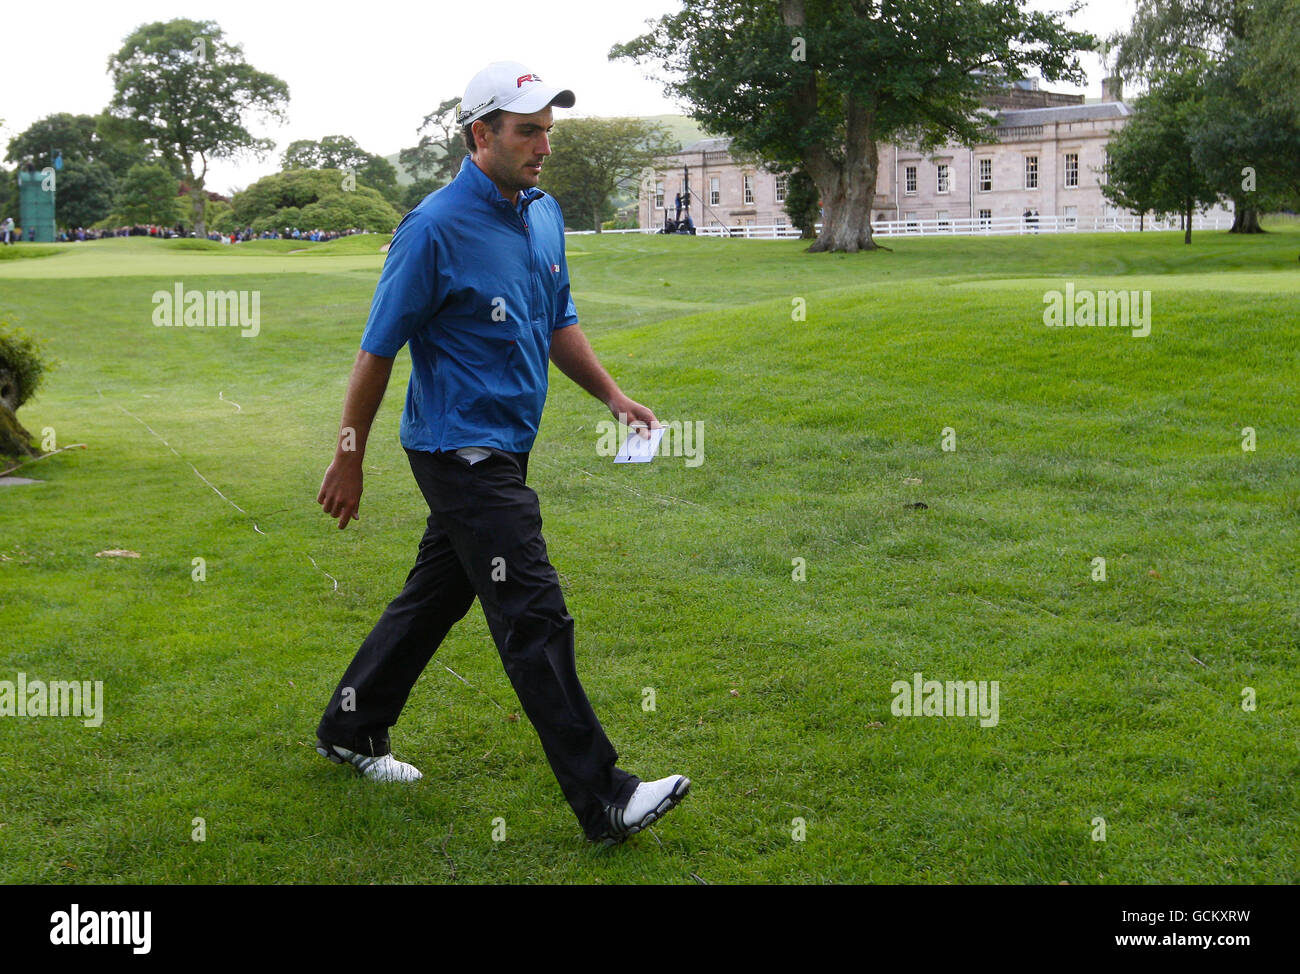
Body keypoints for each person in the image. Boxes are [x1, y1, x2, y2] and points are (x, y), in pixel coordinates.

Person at [313, 61, 690, 846]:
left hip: (507, 447)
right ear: (480, 133)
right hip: (459, 452)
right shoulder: (432, 228)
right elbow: (377, 351)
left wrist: (614, 397)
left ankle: (351, 726)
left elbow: (557, 320)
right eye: (528, 132)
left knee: (436, 596)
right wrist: (349, 455)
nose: (543, 146)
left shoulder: (542, 213)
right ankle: (605, 797)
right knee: (532, 610)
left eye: (549, 131)